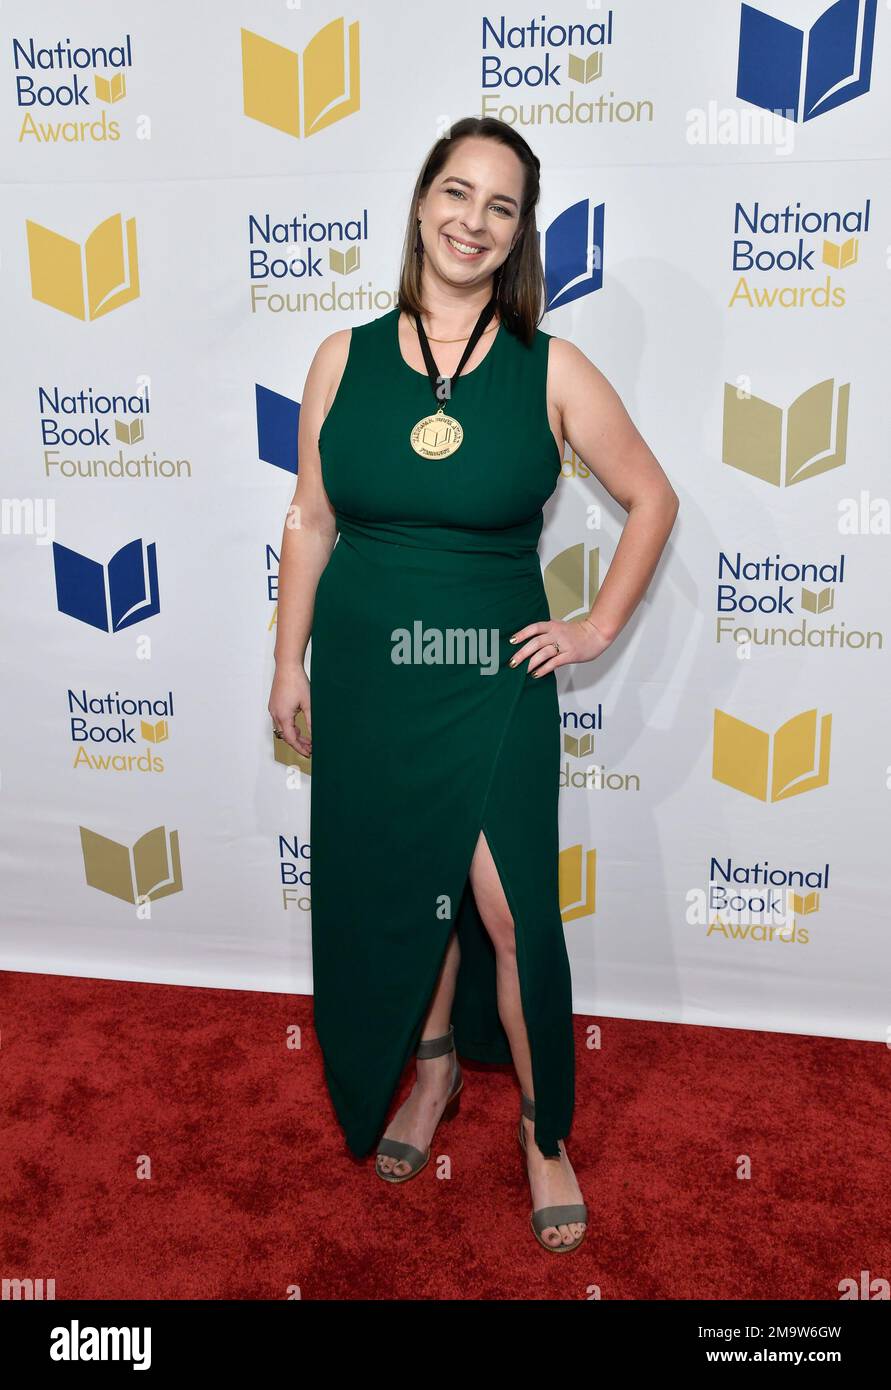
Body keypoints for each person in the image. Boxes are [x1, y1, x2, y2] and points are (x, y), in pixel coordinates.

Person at [268, 115, 679, 1253]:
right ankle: (434, 1066)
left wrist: (596, 622)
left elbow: (653, 496)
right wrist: (285, 656)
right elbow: (309, 516)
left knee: (509, 908)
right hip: (366, 666)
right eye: (458, 192)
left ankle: (544, 1132)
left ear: (519, 233)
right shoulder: (342, 356)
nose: (473, 219)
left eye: (501, 205)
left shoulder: (551, 366)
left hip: (490, 672)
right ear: (420, 203)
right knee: (409, 880)